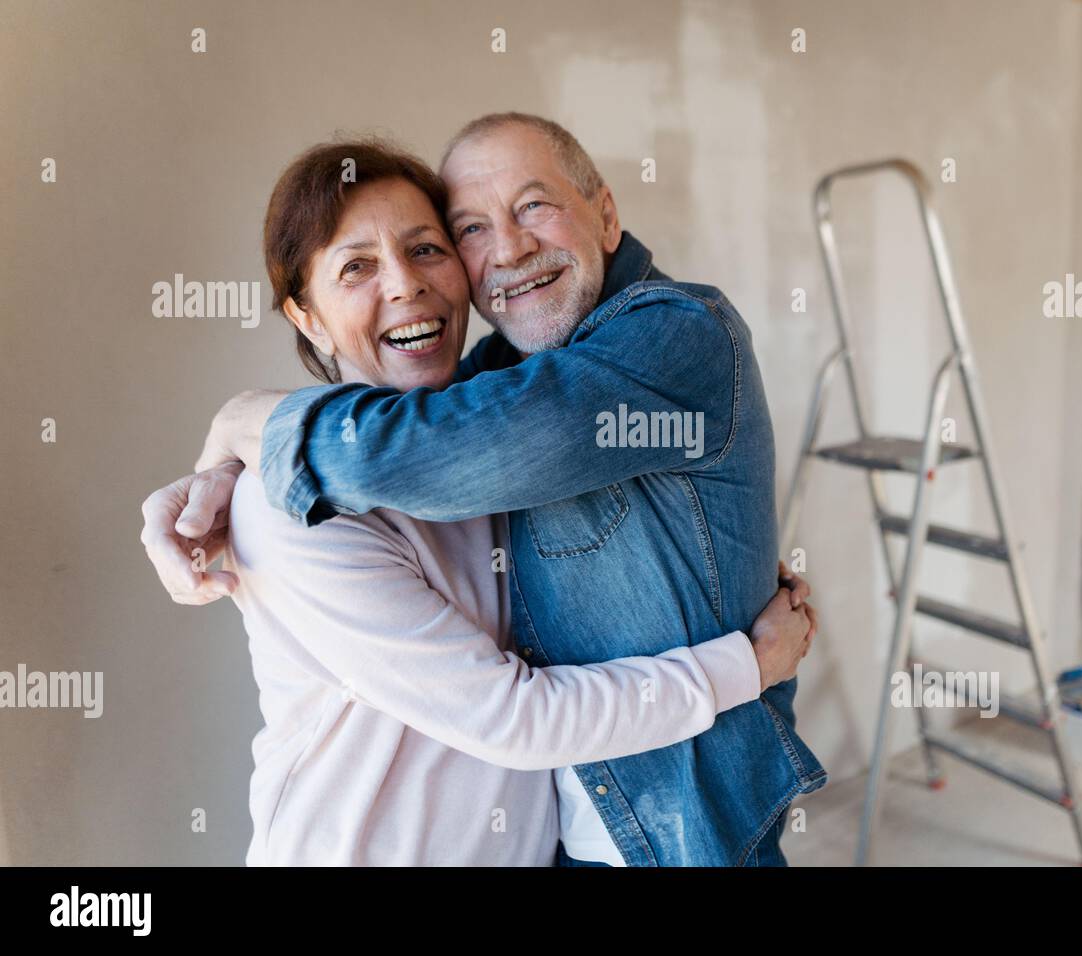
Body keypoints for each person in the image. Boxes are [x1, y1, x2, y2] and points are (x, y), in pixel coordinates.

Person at [142, 113, 828, 866]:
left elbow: (453, 443)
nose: (509, 247)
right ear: (307, 317)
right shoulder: (301, 504)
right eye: (471, 227)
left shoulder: (671, 336)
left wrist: (247, 420)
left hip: (673, 835)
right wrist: (747, 664)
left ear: (606, 213)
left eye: (533, 205)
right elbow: (514, 715)